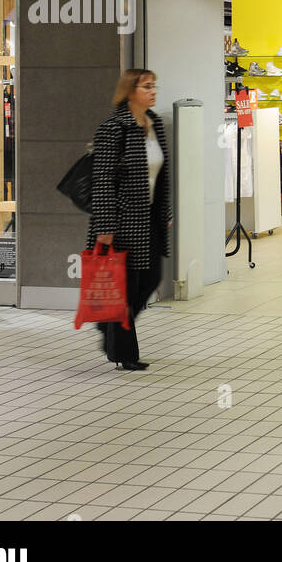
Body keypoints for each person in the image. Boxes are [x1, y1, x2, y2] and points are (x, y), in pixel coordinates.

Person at [87, 69, 172, 371]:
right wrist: (105, 227)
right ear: (130, 91)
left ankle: (109, 329)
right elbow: (103, 180)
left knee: (150, 279)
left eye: (154, 86)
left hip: (149, 218)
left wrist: (166, 213)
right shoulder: (113, 129)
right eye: (146, 86)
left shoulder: (155, 124)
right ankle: (124, 353)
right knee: (126, 286)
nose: (153, 91)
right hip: (121, 219)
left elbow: (162, 177)